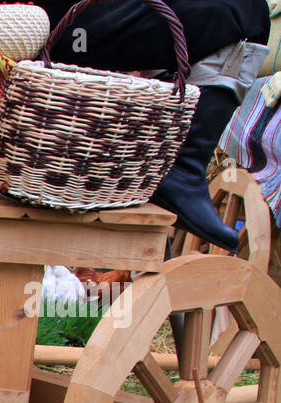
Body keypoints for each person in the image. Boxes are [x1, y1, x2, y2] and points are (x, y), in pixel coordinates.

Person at [38, 0, 272, 251]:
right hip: (64, 30)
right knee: (243, 10)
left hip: (76, 25)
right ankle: (181, 167)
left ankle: (172, 164)